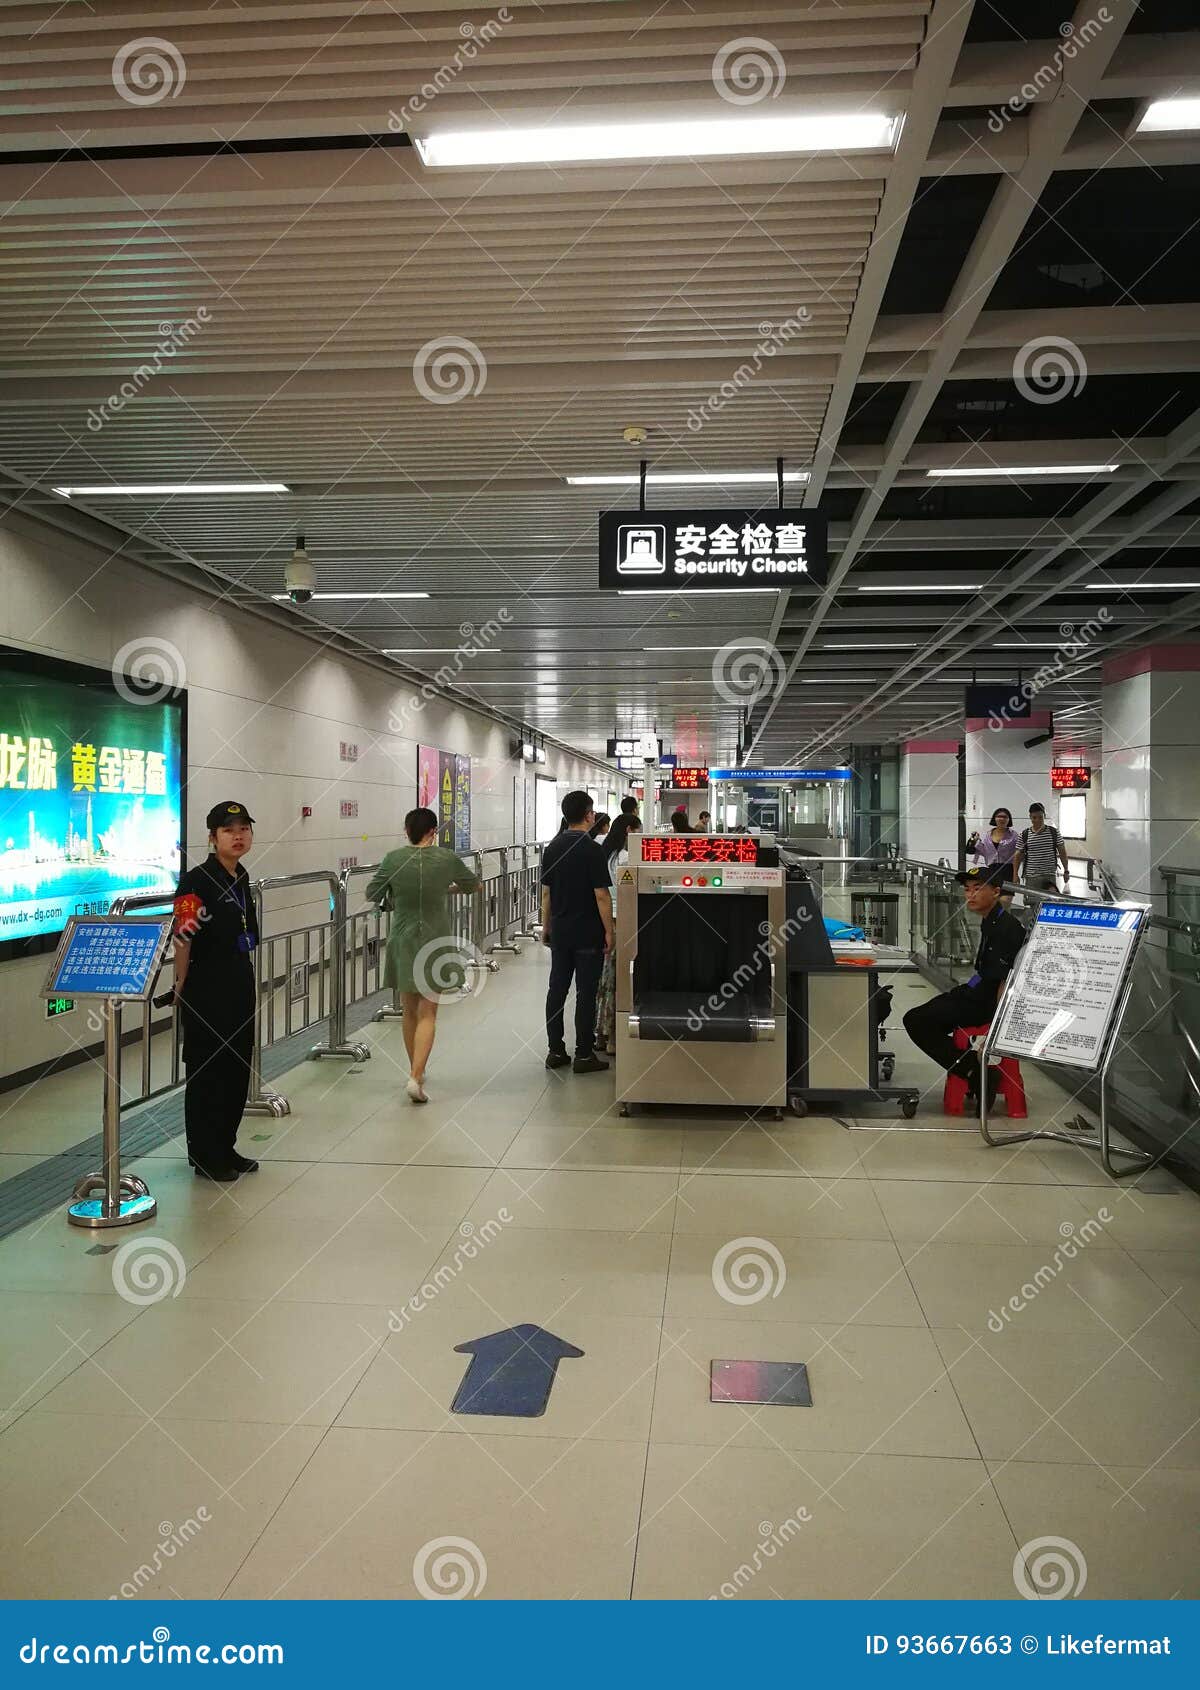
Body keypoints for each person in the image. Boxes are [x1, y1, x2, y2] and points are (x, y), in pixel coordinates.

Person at [366, 807, 480, 1104]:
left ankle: (415, 1069)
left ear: (407, 831)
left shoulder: (393, 859)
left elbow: (372, 892)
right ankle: (416, 1076)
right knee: (429, 1010)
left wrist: (393, 896)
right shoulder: (446, 859)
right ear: (434, 831)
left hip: (403, 936)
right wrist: (446, 889)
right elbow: (473, 885)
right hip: (435, 937)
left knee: (409, 1009)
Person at [173, 800, 262, 1181]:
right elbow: (184, 936)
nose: (238, 836)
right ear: (212, 838)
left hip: (239, 983)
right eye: (228, 830)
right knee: (208, 1072)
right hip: (206, 989)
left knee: (236, 1068)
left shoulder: (240, 876)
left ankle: (226, 1146)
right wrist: (179, 985)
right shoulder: (195, 881)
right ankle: (206, 1155)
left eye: (244, 828)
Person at [902, 865, 1026, 1106]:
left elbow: (1004, 982)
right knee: (924, 1016)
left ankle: (973, 1073)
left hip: (983, 1004)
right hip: (973, 994)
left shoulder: (1006, 929)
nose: (970, 895)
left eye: (978, 889)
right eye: (967, 889)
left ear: (996, 891)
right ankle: (973, 1069)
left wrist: (996, 1028)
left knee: (915, 1020)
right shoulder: (991, 921)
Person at [540, 790, 614, 1073]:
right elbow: (601, 896)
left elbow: (546, 894)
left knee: (556, 989)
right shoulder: (592, 849)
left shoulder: (553, 848)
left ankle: (555, 1050)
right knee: (586, 992)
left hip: (560, 931)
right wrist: (610, 931)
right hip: (587, 933)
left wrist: (547, 927)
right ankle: (584, 1053)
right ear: (587, 815)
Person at [594, 815, 641, 1053]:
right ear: (629, 830)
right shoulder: (624, 858)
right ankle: (613, 1036)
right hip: (621, 922)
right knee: (617, 979)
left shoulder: (604, 854)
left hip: (601, 921)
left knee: (604, 978)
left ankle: (601, 1034)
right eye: (637, 832)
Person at [1014, 802, 1070, 897]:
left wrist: (1066, 870)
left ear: (1044, 815)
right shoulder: (1024, 835)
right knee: (1032, 903)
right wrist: (1015, 874)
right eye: (1034, 817)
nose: (1037, 820)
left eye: (1040, 817)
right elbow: (1017, 856)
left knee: (1049, 903)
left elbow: (1063, 853)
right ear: (1030, 817)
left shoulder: (1054, 832)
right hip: (1031, 877)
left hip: (1049, 875)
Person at [969, 806, 1019, 906]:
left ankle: (1004, 921)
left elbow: (1018, 856)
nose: (1002, 819)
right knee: (992, 903)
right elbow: (983, 851)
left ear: (1009, 820)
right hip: (991, 871)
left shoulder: (1014, 835)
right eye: (999, 816)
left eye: (1005, 817)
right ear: (994, 818)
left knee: (1005, 903)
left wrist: (1015, 875)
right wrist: (975, 841)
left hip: (1007, 871)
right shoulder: (987, 835)